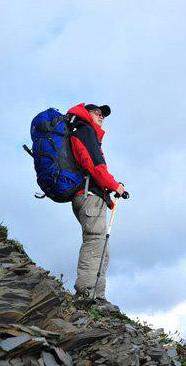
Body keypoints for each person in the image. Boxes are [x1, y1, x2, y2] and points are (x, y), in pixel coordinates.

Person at [67, 103, 126, 303]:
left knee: (102, 248)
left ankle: (98, 296)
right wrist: (115, 185)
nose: (101, 116)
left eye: (103, 114)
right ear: (87, 113)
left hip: (89, 195)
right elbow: (95, 165)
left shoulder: (82, 132)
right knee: (94, 243)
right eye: (97, 112)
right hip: (89, 195)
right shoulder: (85, 131)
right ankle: (85, 295)